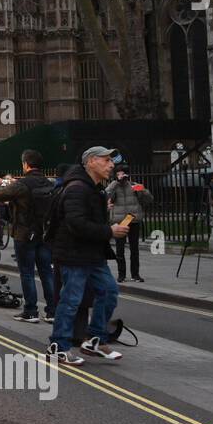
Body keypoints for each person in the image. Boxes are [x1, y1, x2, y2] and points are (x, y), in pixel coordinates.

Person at [46, 147, 131, 365]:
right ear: (91, 162)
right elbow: (76, 224)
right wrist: (109, 231)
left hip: (92, 254)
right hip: (73, 254)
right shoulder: (77, 188)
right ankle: (59, 346)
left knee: (109, 291)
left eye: (111, 161)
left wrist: (107, 229)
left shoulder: (95, 189)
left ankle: (95, 339)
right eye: (106, 160)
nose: (111, 165)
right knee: (71, 300)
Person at [0, 149, 57, 323]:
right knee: (46, 273)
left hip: (25, 234)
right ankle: (52, 311)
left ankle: (31, 311)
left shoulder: (22, 184)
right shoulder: (49, 183)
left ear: (26, 164)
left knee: (27, 273)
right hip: (44, 234)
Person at [105, 164, 151, 282]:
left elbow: (148, 200)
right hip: (119, 222)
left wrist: (143, 190)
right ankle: (121, 274)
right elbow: (105, 195)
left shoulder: (134, 186)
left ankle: (135, 274)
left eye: (123, 173)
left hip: (133, 220)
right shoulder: (113, 186)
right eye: (118, 173)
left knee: (134, 249)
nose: (121, 175)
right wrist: (115, 182)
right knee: (119, 249)